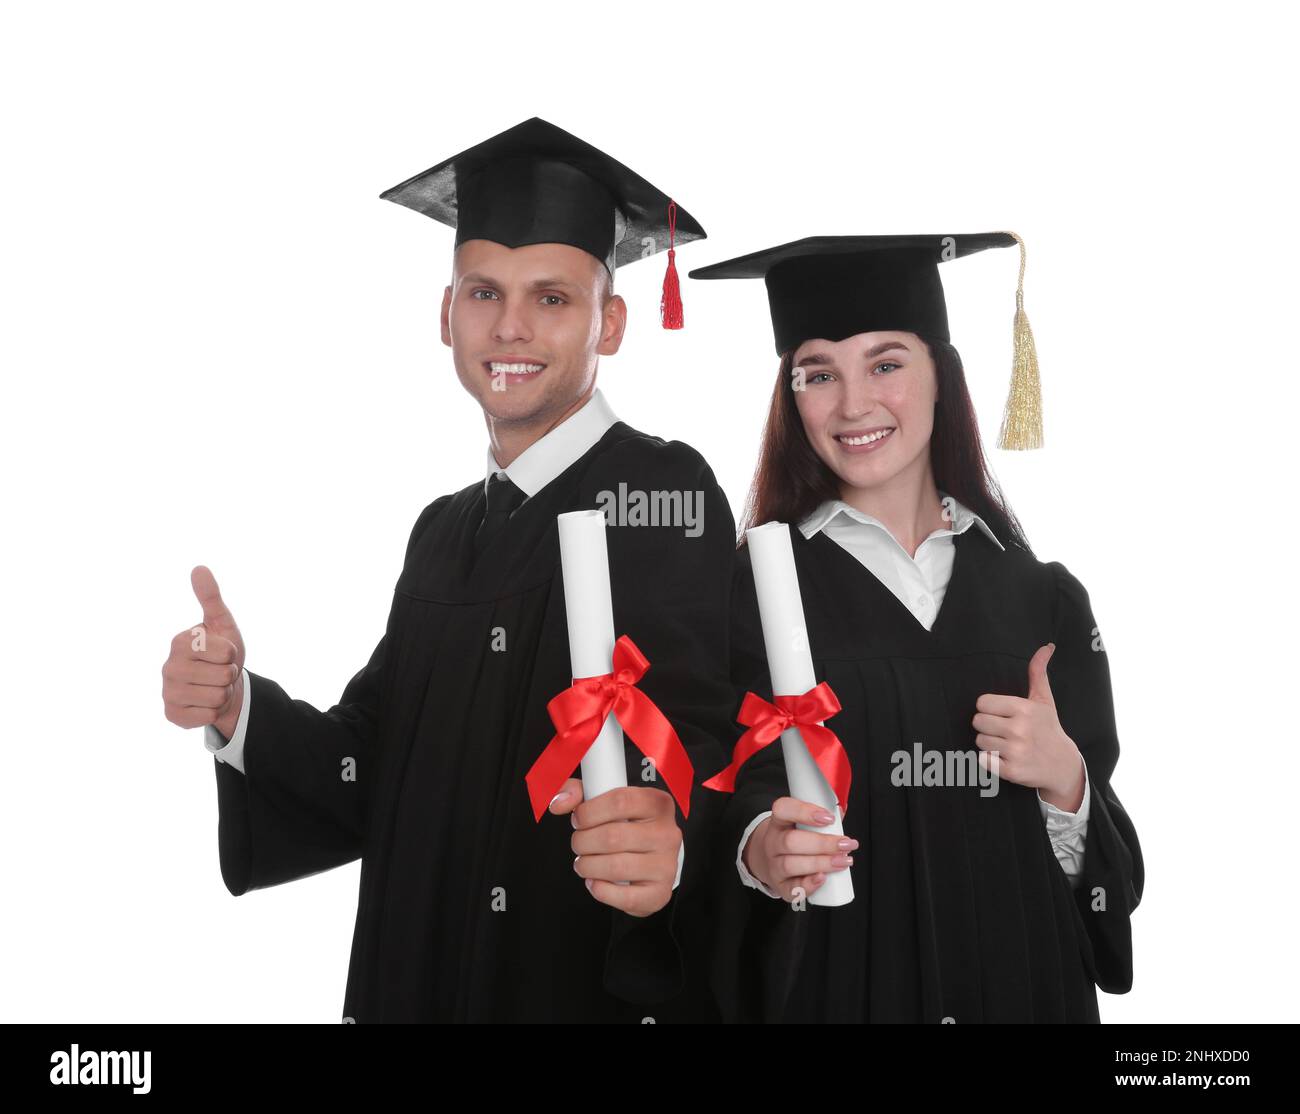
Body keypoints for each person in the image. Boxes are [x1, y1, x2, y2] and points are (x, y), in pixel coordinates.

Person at [159, 117, 736, 1022]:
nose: (510, 326)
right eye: (482, 293)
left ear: (610, 322)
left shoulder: (662, 491)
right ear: (445, 315)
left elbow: (709, 737)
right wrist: (238, 711)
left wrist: (676, 833)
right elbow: (372, 761)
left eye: (552, 297)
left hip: (561, 984)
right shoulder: (444, 531)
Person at [688, 233, 1144, 1023]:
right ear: (791, 396)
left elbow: (1109, 888)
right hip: (840, 991)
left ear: (943, 376)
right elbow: (708, 799)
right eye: (818, 373)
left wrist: (1066, 781)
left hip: (1023, 991)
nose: (854, 404)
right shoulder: (742, 597)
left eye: (886, 363)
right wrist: (761, 850)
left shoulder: (1041, 598)